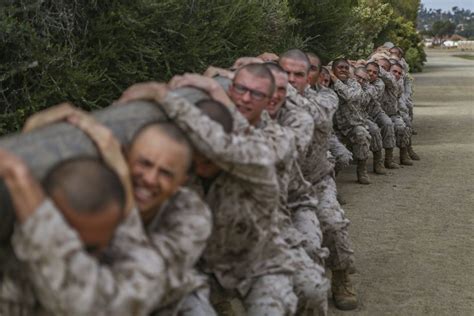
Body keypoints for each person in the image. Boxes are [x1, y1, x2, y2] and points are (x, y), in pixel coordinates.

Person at [119, 81, 298, 316]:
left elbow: (224, 146)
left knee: (288, 301)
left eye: (210, 157)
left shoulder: (256, 167)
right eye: (196, 156)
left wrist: (166, 97)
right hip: (205, 266)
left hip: (257, 263)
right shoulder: (177, 174)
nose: (201, 165)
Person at [23, 104, 216, 316]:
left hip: (167, 303)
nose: (150, 179)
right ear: (124, 156)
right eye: (144, 163)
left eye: (166, 173)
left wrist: (124, 183)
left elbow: (143, 286)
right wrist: (32, 139)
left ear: (182, 181)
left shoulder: (193, 215)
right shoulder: (98, 190)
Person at [0, 111, 166, 315]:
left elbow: (81, 303)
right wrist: (29, 145)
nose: (82, 256)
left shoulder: (147, 273)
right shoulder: (24, 228)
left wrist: (18, 174)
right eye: (69, 238)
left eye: (91, 248)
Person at [279, 49, 358, 311]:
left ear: (315, 75)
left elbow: (316, 115)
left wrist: (276, 83)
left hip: (317, 180)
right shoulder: (266, 98)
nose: (291, 79)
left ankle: (341, 277)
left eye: (300, 73)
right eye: (285, 73)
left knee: (333, 224)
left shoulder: (325, 98)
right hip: (281, 187)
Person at [329, 58, 372, 184]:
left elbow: (350, 96)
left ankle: (362, 170)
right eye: (340, 67)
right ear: (333, 70)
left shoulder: (354, 83)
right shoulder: (327, 83)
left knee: (363, 135)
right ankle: (332, 179)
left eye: (346, 68)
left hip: (352, 125)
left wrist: (336, 80)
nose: (343, 70)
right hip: (334, 127)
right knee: (335, 153)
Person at [365, 62, 400, 169]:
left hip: (375, 111)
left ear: (378, 75)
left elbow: (370, 96)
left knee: (388, 124)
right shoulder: (356, 79)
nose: (371, 74)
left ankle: (388, 159)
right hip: (362, 115)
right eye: (369, 71)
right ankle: (378, 160)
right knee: (374, 130)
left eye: (375, 73)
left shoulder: (380, 83)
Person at [353, 66, 386, 175]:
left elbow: (362, 99)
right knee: (363, 134)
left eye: (364, 79)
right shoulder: (344, 85)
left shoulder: (370, 88)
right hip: (344, 121)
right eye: (358, 78)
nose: (361, 81)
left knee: (374, 130)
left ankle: (376, 163)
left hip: (361, 119)